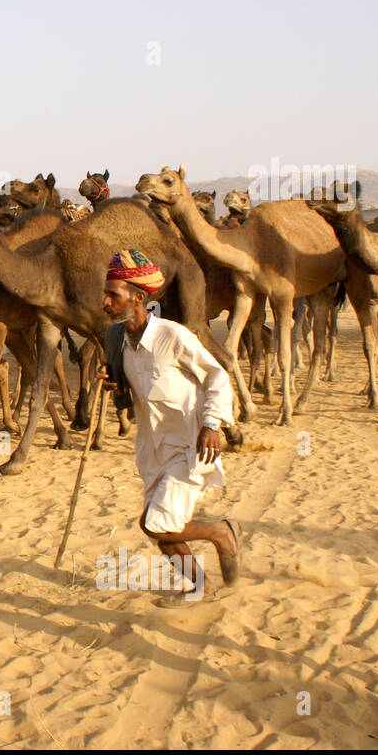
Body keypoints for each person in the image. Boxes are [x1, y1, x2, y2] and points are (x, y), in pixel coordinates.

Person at [98, 249, 240, 599]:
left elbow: (217, 377)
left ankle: (220, 532)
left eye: (112, 295)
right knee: (159, 531)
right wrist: (117, 385)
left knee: (158, 523)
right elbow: (130, 391)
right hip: (152, 448)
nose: (105, 302)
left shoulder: (173, 336)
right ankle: (200, 589)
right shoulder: (117, 341)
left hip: (190, 445)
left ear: (138, 297)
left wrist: (212, 424)